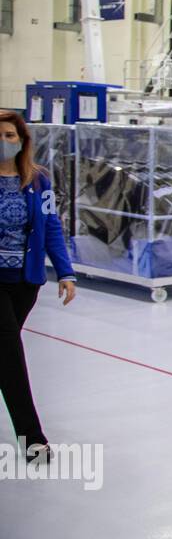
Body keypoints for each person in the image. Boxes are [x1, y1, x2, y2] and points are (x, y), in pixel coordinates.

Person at [0, 110, 76, 465]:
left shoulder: (38, 181)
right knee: (11, 357)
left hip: (25, 282)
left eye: (10, 135)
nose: (4, 141)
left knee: (4, 355)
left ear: (22, 140)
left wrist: (65, 272)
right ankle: (33, 439)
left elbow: (51, 228)